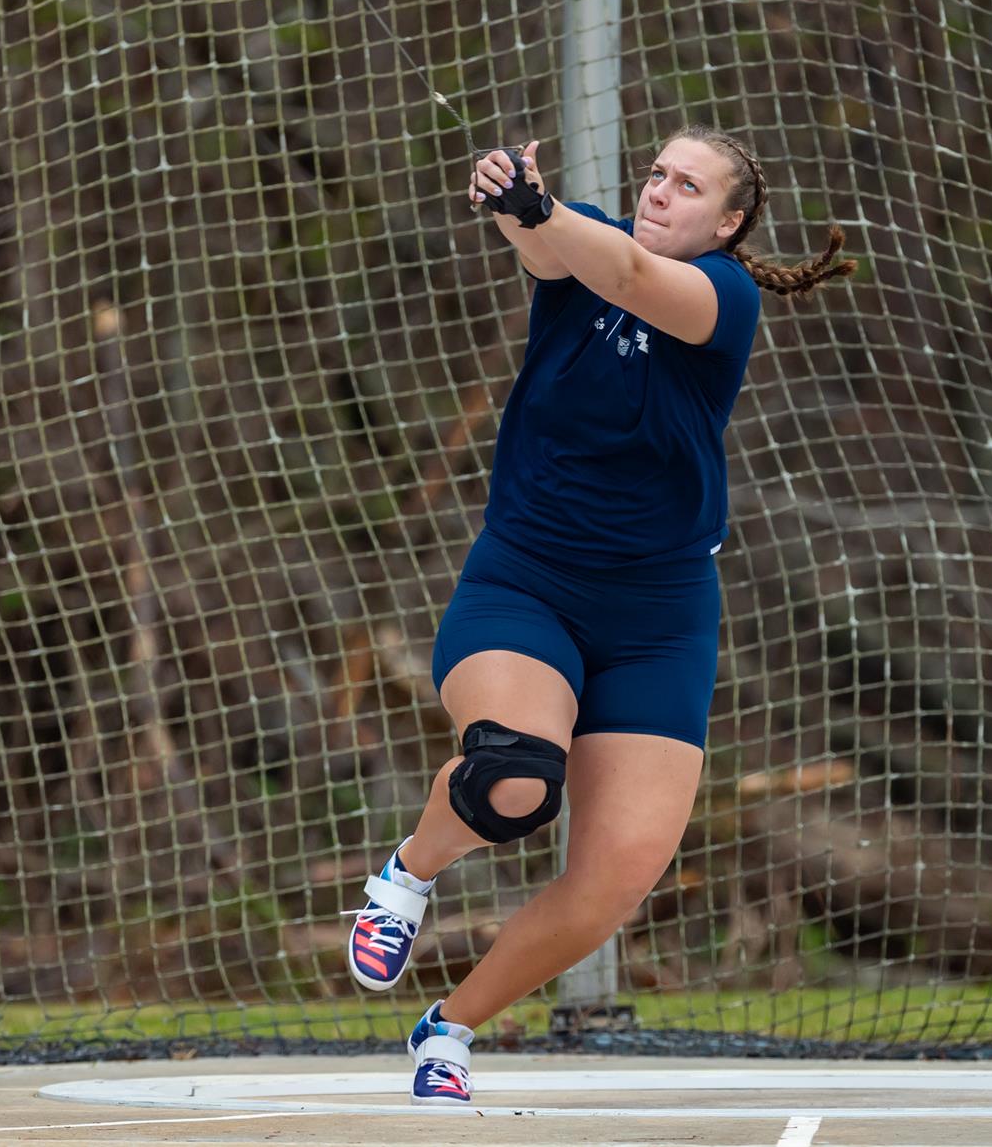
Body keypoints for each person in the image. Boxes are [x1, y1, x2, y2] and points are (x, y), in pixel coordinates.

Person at [346, 126, 854, 1105]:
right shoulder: (585, 247)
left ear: (729, 220)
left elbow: (619, 270)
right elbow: (548, 250)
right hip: (526, 582)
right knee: (513, 776)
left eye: (687, 184)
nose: (661, 191)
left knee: (616, 875)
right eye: (656, 173)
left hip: (658, 613)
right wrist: (514, 196)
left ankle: (445, 1030)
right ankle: (404, 876)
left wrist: (541, 213)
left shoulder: (721, 295)